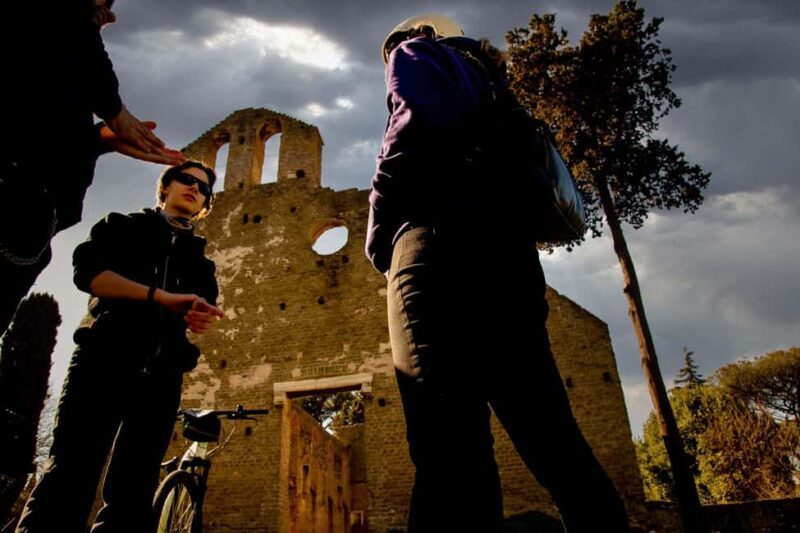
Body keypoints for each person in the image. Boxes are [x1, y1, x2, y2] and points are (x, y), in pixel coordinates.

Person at [366, 15, 632, 532]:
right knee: (552, 437)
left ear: (420, 33)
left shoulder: (414, 51)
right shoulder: (494, 87)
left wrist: (381, 229)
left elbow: (415, 119)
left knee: (449, 443)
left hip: (437, 250)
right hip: (509, 261)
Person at [16, 161, 223, 533]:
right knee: (70, 472)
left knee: (135, 486)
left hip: (162, 374)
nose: (195, 188)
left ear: (206, 204)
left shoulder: (201, 263)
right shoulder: (121, 227)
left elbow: (199, 308)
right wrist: (160, 297)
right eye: (186, 180)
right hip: (103, 359)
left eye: (204, 188)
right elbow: (91, 276)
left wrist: (200, 317)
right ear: (165, 188)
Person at [0, 0, 185, 337]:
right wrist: (113, 109)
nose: (106, 11)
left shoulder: (59, 59)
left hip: (31, 220)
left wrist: (97, 139)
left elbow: (40, 127)